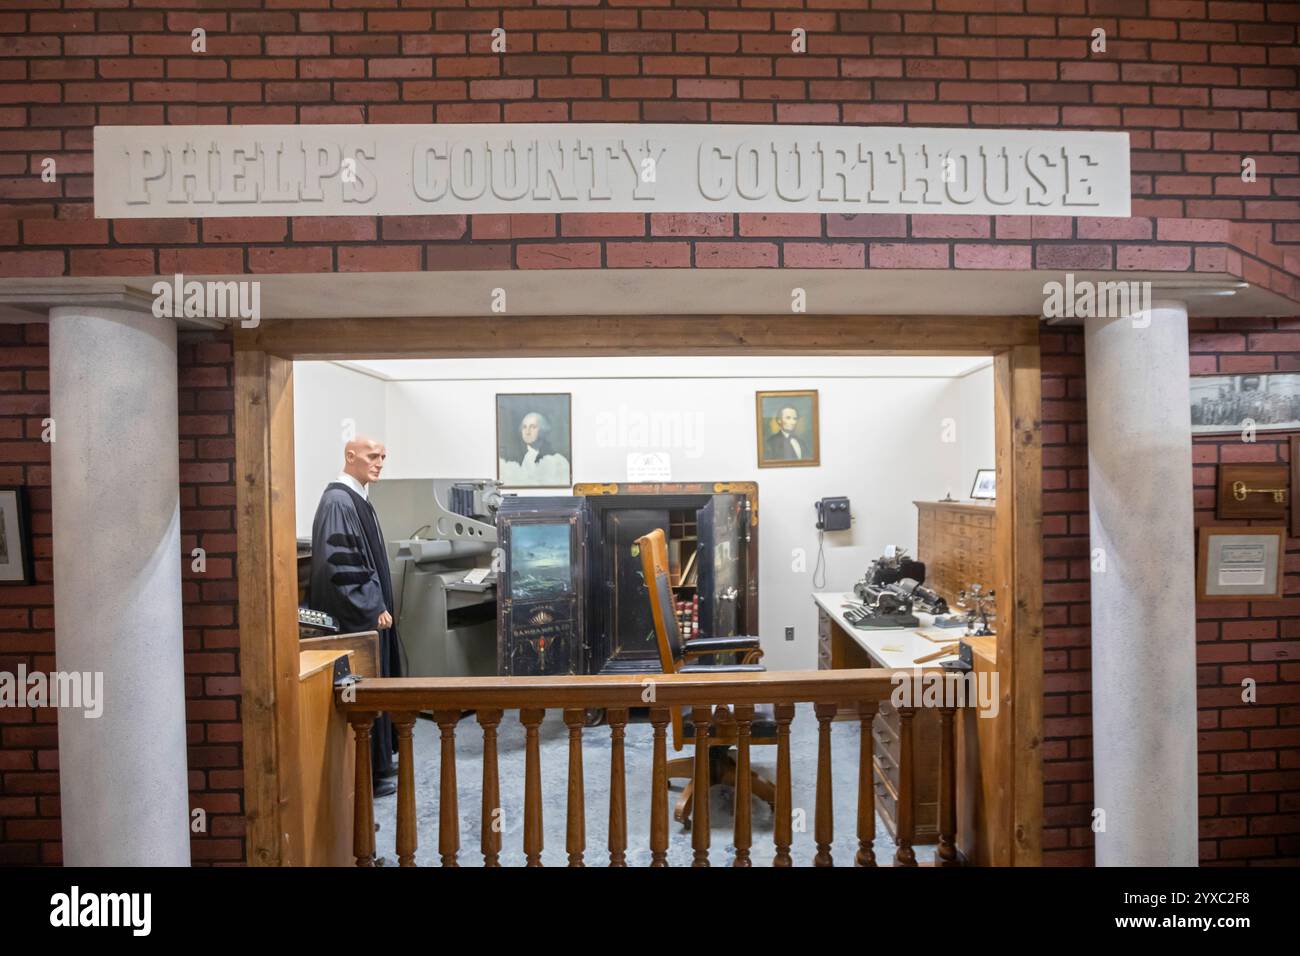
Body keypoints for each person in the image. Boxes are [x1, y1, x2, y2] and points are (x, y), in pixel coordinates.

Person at [309, 436, 402, 798]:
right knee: (360, 688)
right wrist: (370, 605)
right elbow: (342, 565)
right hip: (355, 620)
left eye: (383, 456)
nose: (379, 462)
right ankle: (368, 771)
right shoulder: (338, 501)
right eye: (371, 456)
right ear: (350, 456)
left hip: (371, 615)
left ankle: (378, 763)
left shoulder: (356, 498)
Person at [499, 410, 570, 485]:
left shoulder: (557, 461)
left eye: (533, 427)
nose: (527, 432)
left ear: (543, 430)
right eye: (524, 427)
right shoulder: (514, 461)